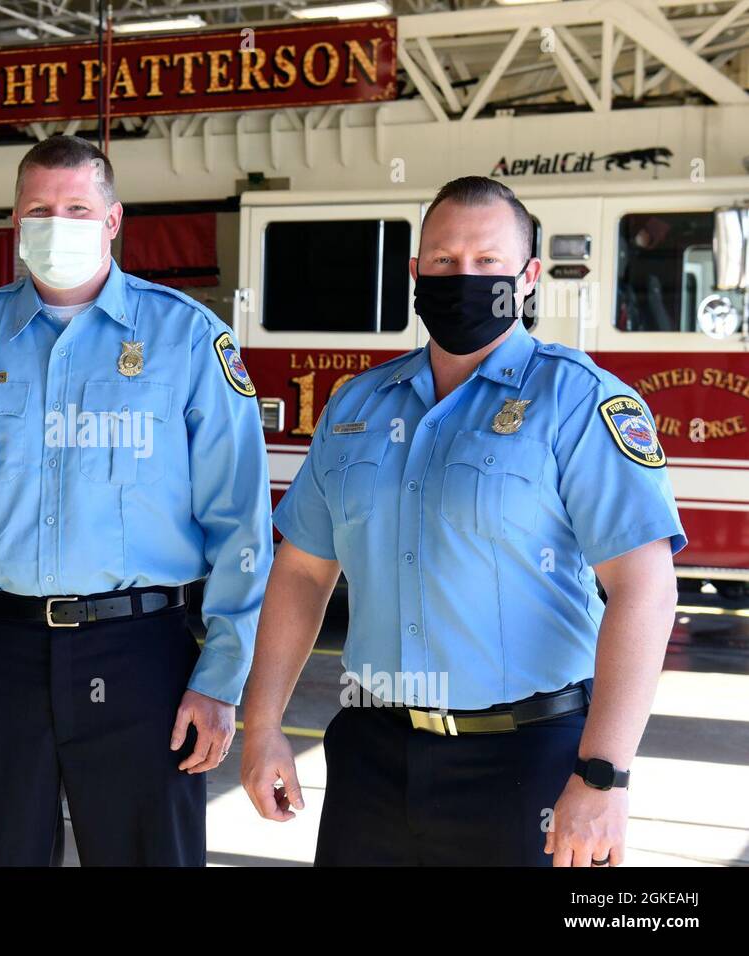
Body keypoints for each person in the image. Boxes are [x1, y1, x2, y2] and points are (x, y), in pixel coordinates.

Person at [241, 175, 685, 867]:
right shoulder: (357, 405)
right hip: (372, 755)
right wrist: (262, 725)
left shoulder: (579, 403)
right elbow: (301, 570)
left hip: (528, 759)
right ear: (416, 272)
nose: (464, 277)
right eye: (444, 262)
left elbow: (645, 589)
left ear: (529, 275)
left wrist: (603, 776)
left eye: (487, 263)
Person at [0, 134, 272, 866]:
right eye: (39, 207)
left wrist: (220, 678)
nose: (56, 222)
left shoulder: (188, 339)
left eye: (76, 207)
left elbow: (240, 524)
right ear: (16, 221)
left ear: (112, 220)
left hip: (143, 656)